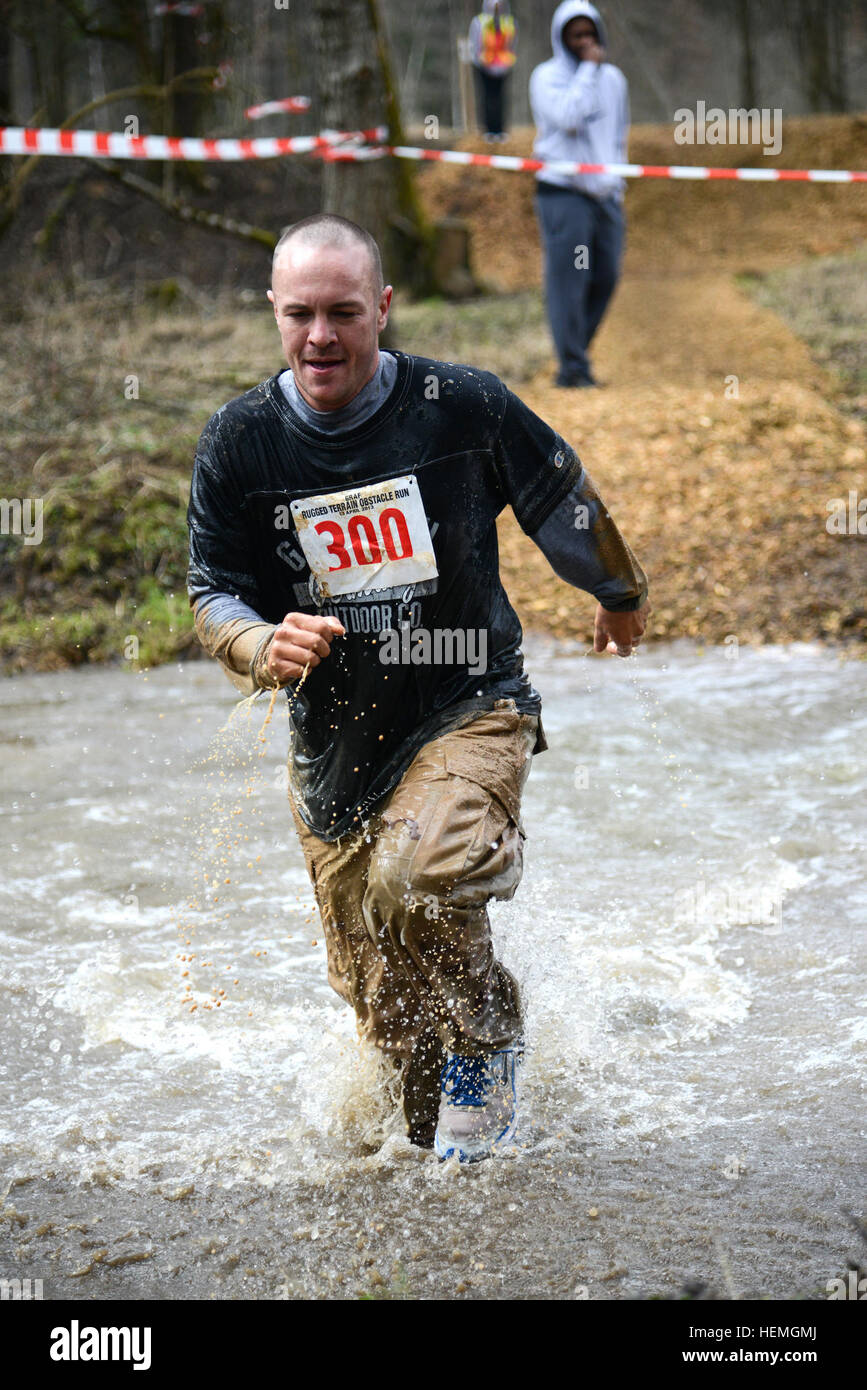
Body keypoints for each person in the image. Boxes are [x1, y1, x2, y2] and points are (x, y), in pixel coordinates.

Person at [187, 213, 649, 1161]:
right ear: (274, 313)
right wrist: (257, 640)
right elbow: (211, 592)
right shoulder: (238, 442)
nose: (322, 336)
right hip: (336, 754)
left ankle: (492, 1039)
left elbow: (558, 492)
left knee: (421, 870)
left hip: (468, 702)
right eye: (302, 315)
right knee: (387, 1024)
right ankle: (432, 1162)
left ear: (384, 308)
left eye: (345, 313)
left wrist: (617, 589)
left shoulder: (459, 404)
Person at [529, 1, 629, 387]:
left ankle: (574, 352)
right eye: (577, 35)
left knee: (606, 274)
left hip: (605, 193)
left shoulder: (615, 80)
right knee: (571, 277)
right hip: (563, 191)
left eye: (591, 34)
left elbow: (617, 133)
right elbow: (569, 117)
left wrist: (617, 181)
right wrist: (588, 69)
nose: (585, 41)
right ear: (563, 38)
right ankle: (572, 368)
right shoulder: (547, 77)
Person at [468, 0, 517, 142]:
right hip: (484, 65)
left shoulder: (508, 22)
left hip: (503, 65)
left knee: (501, 98)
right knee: (487, 98)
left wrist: (509, 60)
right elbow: (475, 43)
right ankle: (489, 130)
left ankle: (500, 129)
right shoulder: (479, 21)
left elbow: (512, 42)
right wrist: (478, 60)